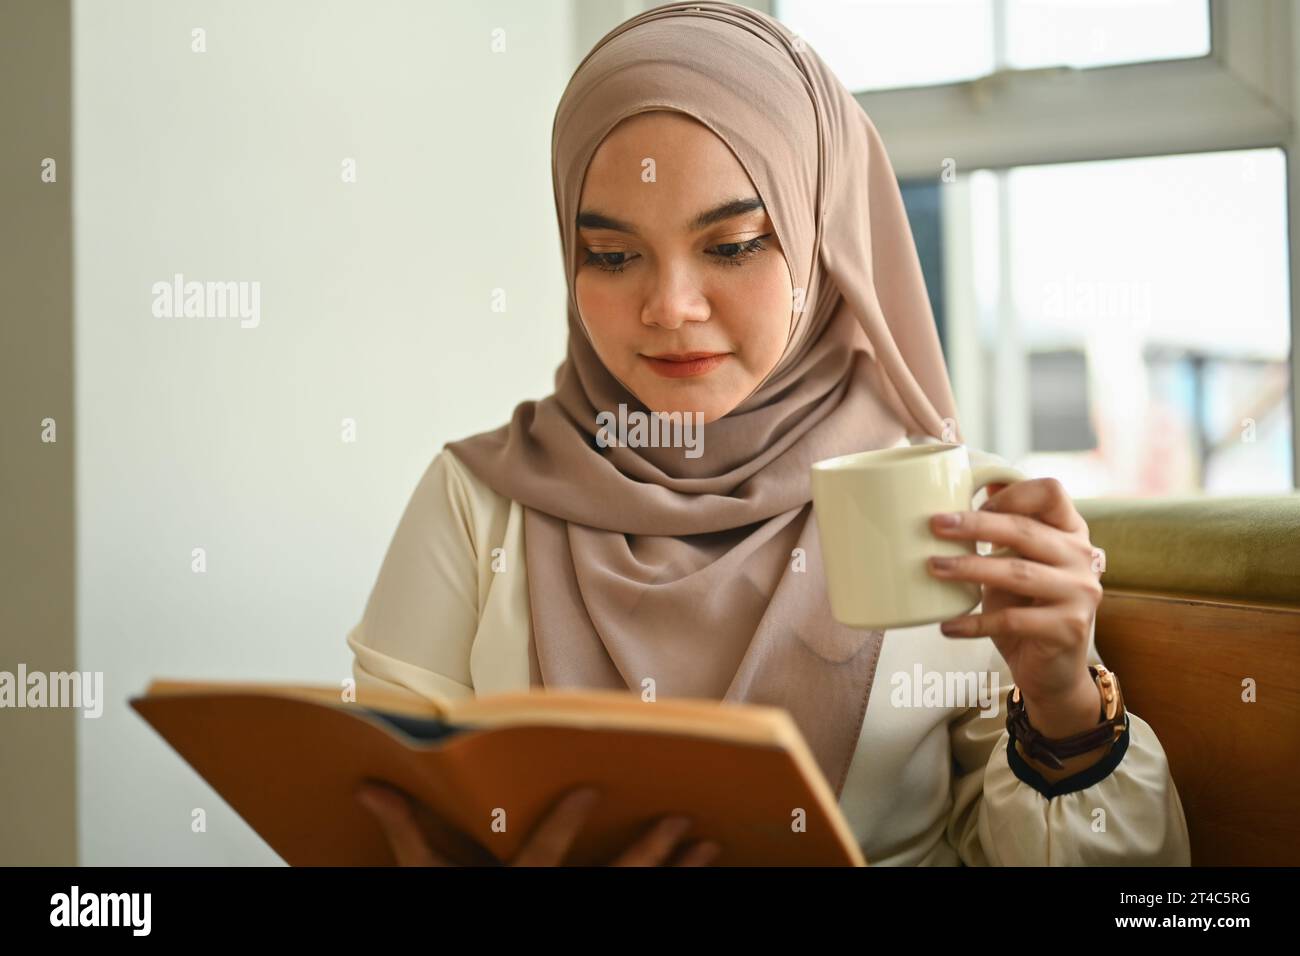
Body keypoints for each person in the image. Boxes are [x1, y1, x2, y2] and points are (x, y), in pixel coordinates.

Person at [348, 1, 1191, 866]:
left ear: (822, 240)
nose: (671, 307)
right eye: (610, 255)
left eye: (735, 244)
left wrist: (1065, 709)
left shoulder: (962, 513)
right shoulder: (479, 503)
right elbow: (371, 827)